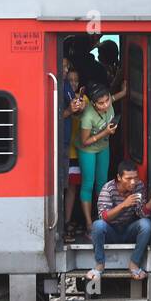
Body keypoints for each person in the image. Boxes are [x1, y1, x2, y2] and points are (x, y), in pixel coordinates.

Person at [89, 161, 151, 280]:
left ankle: (134, 263)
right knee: (98, 225)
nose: (133, 182)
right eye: (128, 178)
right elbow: (104, 217)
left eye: (135, 178)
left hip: (128, 230)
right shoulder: (108, 189)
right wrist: (124, 204)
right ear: (119, 177)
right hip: (111, 231)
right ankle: (99, 265)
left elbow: (143, 213)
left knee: (146, 224)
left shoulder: (138, 186)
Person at [78, 86, 117, 229]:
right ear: (94, 104)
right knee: (88, 183)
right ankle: (89, 223)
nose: (106, 104)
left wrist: (124, 91)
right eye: (101, 103)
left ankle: (102, 219)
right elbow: (85, 141)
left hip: (103, 148)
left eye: (107, 100)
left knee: (102, 183)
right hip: (88, 150)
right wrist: (105, 132)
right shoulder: (88, 116)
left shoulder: (109, 102)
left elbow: (114, 98)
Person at [61, 63, 88, 240]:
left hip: (74, 151)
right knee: (64, 187)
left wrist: (79, 104)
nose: (72, 82)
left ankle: (67, 220)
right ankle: (63, 223)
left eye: (75, 80)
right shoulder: (63, 94)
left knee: (72, 187)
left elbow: (83, 109)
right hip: (67, 149)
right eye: (70, 79)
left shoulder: (81, 98)